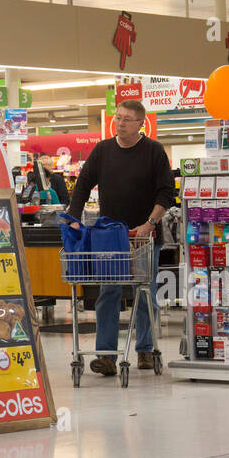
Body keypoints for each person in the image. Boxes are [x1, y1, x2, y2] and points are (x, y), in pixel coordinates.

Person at [65, 99, 175, 375]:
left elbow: (166, 193)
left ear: (141, 123)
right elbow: (82, 186)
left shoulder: (153, 152)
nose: (121, 123)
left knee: (145, 292)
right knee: (108, 291)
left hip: (144, 235)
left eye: (127, 119)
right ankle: (106, 356)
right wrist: (74, 219)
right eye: (119, 117)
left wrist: (149, 224)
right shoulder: (103, 150)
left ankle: (145, 350)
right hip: (110, 237)